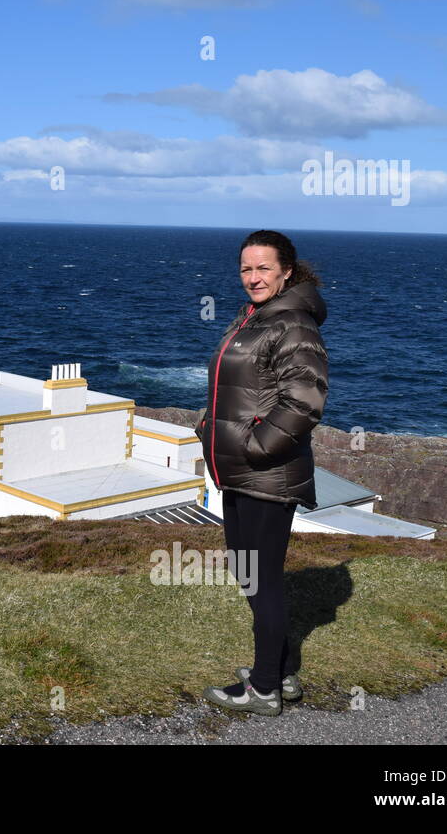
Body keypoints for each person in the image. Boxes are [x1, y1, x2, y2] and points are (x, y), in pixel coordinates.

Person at [195, 230, 328, 716]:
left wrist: (254, 447)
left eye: (263, 268)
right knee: (252, 573)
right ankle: (280, 670)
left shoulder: (293, 323)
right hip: (241, 471)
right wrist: (210, 429)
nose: (253, 277)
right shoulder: (259, 315)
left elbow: (305, 401)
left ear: (286, 271)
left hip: (266, 473)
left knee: (260, 578)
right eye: (246, 269)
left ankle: (265, 688)